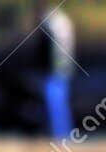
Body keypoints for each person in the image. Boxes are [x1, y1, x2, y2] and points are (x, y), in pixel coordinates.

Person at [30, 2, 76, 140]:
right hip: (62, 69)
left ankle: (60, 137)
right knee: (60, 105)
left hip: (54, 71)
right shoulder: (60, 20)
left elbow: (45, 50)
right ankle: (62, 136)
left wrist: (40, 67)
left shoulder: (49, 24)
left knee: (55, 106)